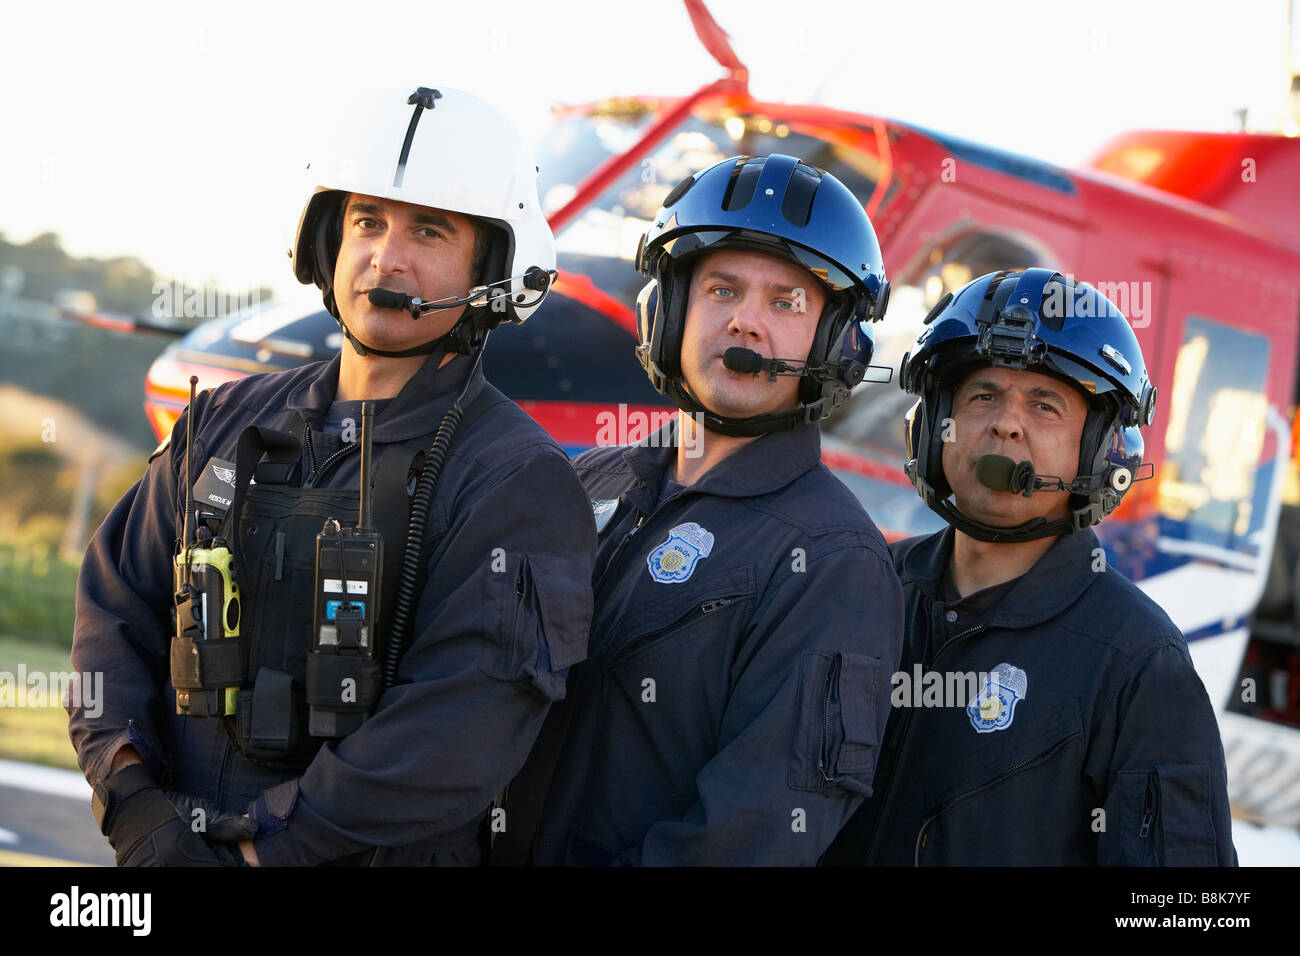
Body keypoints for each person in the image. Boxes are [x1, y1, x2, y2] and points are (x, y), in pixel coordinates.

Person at [67, 85, 597, 866]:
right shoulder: (221, 422)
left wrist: (259, 853)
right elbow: (111, 616)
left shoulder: (518, 484)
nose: (388, 255)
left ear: (492, 265)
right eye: (368, 222)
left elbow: (458, 733)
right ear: (326, 241)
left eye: (430, 230)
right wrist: (137, 805)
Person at [518, 153, 905, 865]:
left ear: (836, 343)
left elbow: (749, 838)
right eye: (721, 289)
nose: (746, 324)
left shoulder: (833, 562)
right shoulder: (587, 483)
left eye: (787, 302)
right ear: (668, 310)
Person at [825, 268, 1237, 865]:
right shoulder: (861, 588)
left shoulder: (1138, 662)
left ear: (1099, 452)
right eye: (982, 395)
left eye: (1044, 405)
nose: (1006, 422)